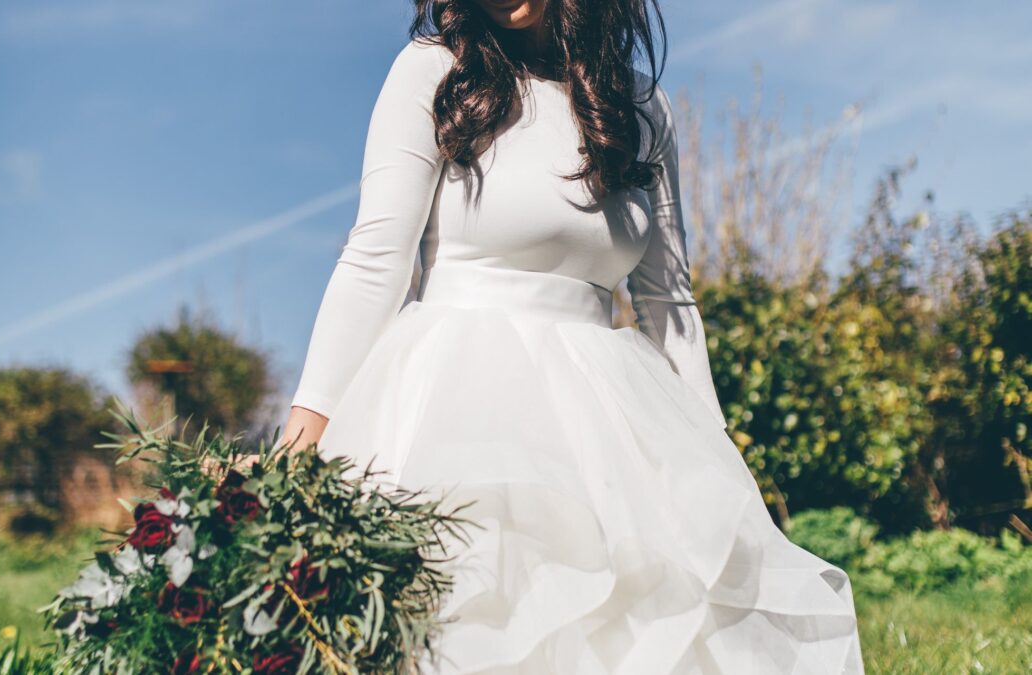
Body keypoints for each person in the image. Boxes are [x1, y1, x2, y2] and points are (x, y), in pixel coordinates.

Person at [279, 0, 865, 672]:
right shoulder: (434, 72)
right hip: (452, 402)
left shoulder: (640, 109)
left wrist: (718, 471)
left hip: (607, 417)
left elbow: (668, 299)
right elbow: (375, 258)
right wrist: (302, 441)